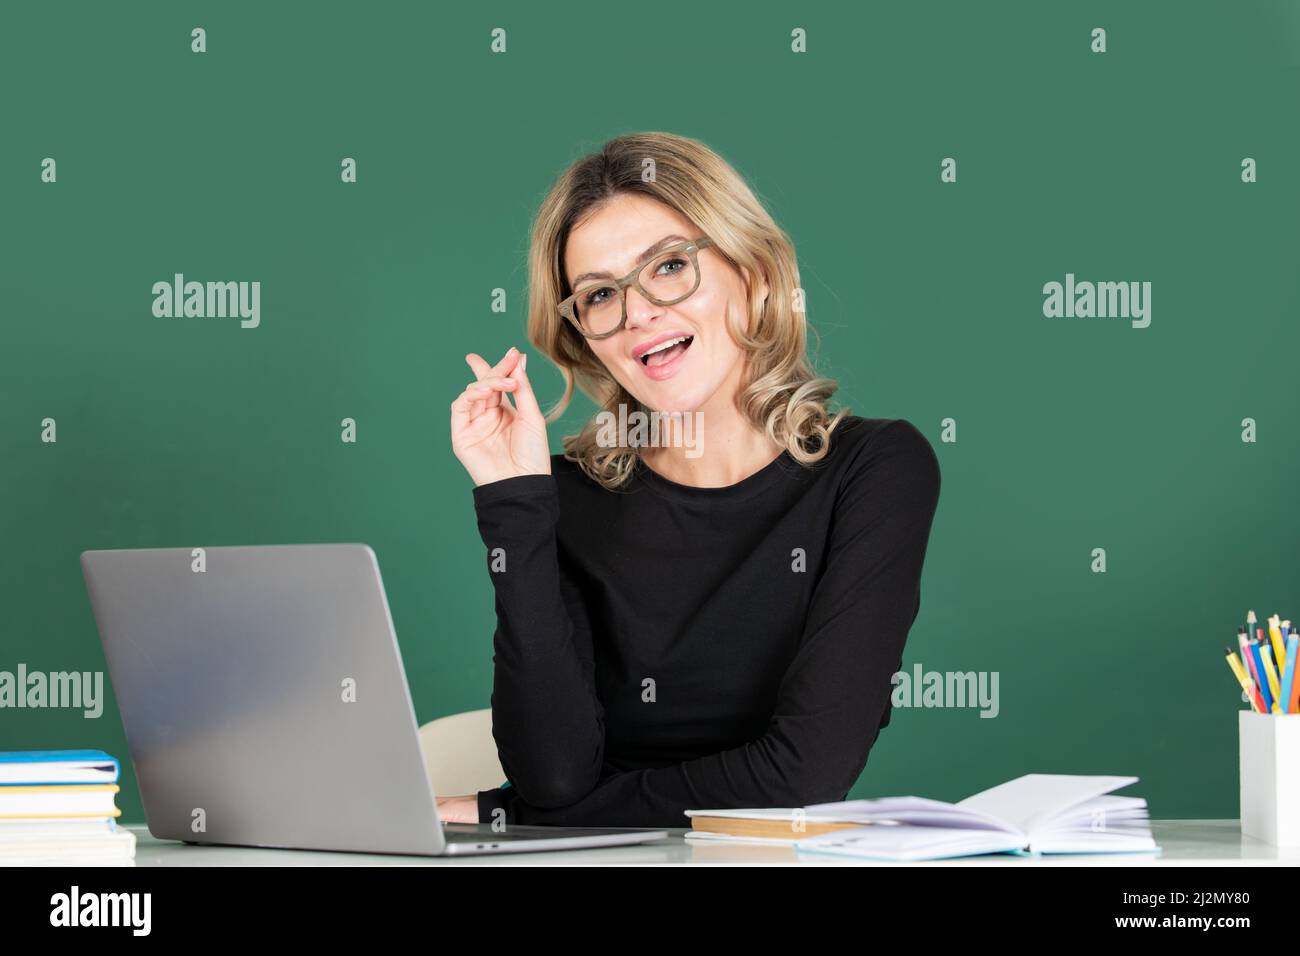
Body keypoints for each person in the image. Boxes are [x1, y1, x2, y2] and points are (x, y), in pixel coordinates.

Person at [443, 131, 941, 829]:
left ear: (755, 273)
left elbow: (805, 772)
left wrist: (513, 814)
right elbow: (553, 777)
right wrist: (513, 499)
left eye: (670, 266)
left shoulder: (875, 468)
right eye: (598, 296)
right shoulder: (563, 496)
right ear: (585, 335)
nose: (637, 313)